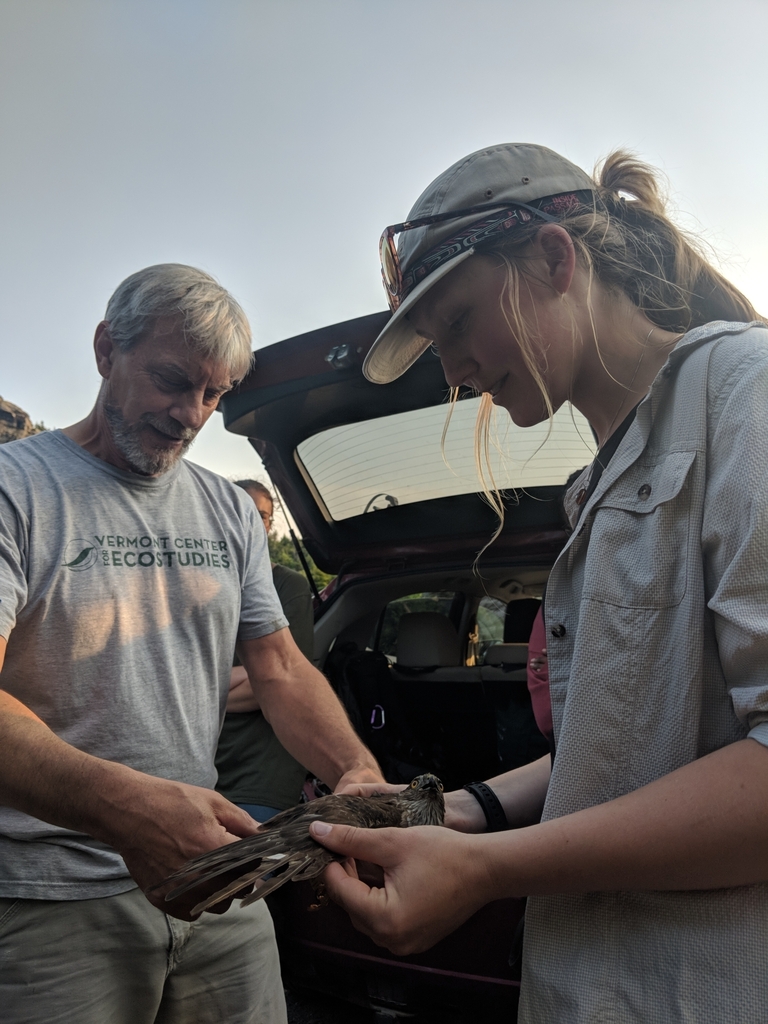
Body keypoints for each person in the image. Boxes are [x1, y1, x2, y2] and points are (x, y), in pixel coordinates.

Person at [307, 144, 768, 1023]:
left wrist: (489, 872)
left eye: (454, 322)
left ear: (556, 260)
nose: (451, 372)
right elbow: (623, 755)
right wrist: (452, 813)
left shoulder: (746, 392)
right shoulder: (598, 484)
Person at [0, 263, 382, 1024]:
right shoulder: (17, 489)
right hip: (48, 898)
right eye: (172, 380)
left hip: (216, 880)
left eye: (212, 395)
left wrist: (355, 767)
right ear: (108, 347)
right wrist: (124, 810)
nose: (190, 414)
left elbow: (277, 665)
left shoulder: (227, 511)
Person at [216, 479, 313, 821]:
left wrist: (192, 692)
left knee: (249, 873)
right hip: (200, 771)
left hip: (260, 777)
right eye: (242, 511)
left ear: (270, 527)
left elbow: (279, 681)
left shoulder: (289, 587)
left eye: (262, 516)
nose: (253, 523)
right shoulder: (197, 585)